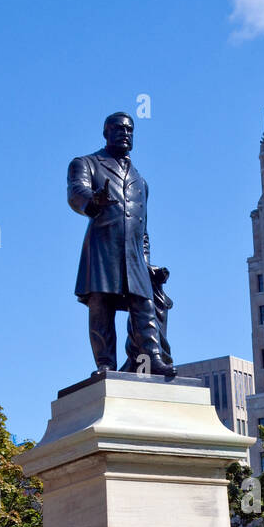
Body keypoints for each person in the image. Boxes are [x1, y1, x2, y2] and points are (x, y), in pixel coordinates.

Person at [68, 112, 175, 377]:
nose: (125, 134)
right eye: (118, 129)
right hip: (102, 249)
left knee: (144, 305)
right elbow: (76, 192)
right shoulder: (86, 163)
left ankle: (153, 359)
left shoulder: (141, 181)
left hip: (134, 254)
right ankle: (106, 364)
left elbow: (143, 228)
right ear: (106, 133)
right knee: (101, 307)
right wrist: (93, 201)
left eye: (129, 130)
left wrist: (148, 264)